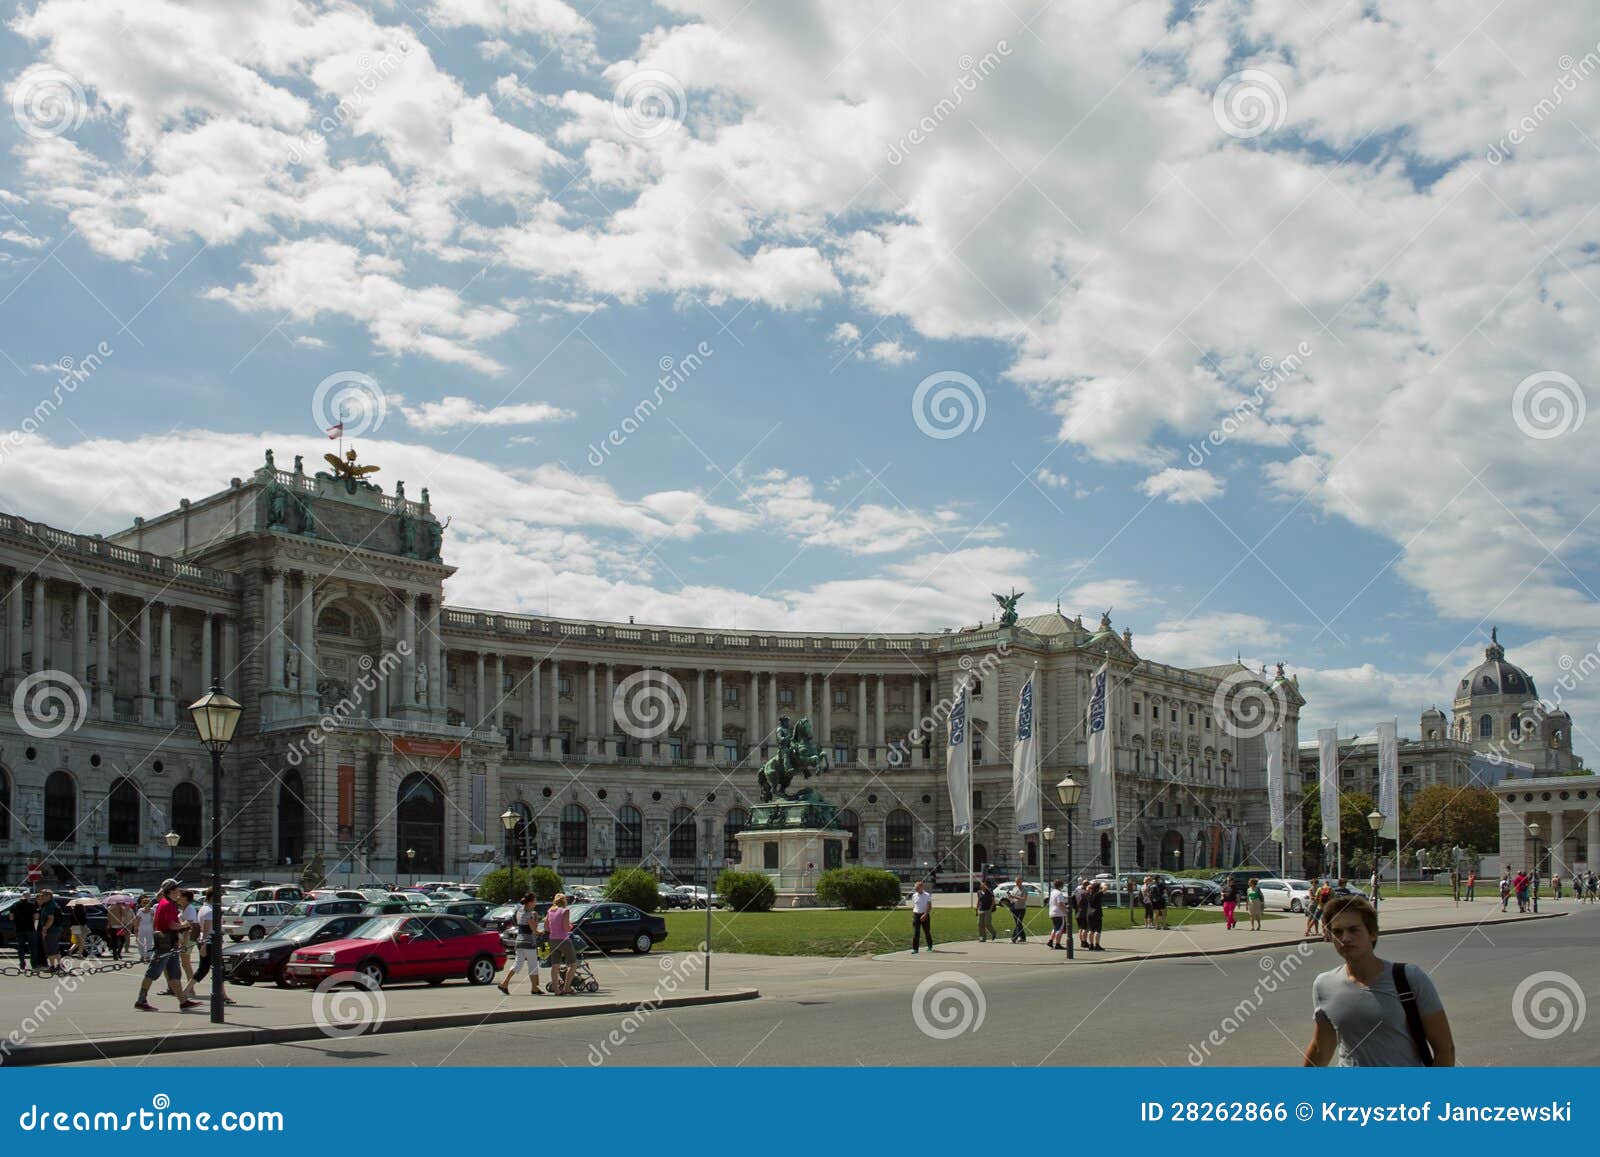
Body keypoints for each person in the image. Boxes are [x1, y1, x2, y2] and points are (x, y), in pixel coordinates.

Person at [1303, 895, 1456, 1067]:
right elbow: (1321, 1048)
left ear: (1373, 934)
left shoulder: (1408, 978)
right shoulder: (1324, 984)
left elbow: (1445, 1050)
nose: (1344, 938)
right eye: (1337, 932)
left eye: (1353, 930)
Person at [134, 881, 200, 1011]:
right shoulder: (168, 905)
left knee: (174, 973)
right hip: (166, 943)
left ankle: (183, 1001)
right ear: (171, 891)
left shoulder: (164, 903)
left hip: (169, 943)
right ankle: (141, 1000)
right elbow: (171, 925)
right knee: (153, 972)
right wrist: (185, 925)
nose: (179, 892)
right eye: (177, 890)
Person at [497, 893, 544, 994]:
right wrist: (542, 931)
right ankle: (534, 988)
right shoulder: (530, 914)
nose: (536, 903)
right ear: (530, 902)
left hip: (519, 941)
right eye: (535, 901)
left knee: (518, 963)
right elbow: (534, 930)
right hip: (529, 942)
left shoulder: (519, 911)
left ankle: (504, 983)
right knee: (533, 965)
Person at [544, 892, 577, 995]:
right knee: (572, 964)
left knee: (555, 965)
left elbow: (546, 928)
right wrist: (571, 926)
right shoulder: (565, 911)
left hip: (553, 940)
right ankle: (567, 987)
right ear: (564, 901)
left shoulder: (549, 911)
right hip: (564, 940)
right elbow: (566, 927)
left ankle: (556, 989)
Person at [36, 889, 63, 970]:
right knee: (55, 948)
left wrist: (45, 928)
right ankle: (58, 965)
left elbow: (50, 919)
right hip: (55, 929)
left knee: (49, 948)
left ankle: (52, 966)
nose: (42, 897)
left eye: (43, 895)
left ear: (49, 896)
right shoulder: (52, 904)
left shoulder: (50, 905)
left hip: (51, 930)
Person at [10, 890, 36, 968]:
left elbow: (11, 917)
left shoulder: (14, 905)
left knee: (21, 947)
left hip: (19, 929)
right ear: (28, 896)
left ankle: (22, 963)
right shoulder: (32, 905)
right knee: (32, 947)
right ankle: (33, 964)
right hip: (30, 929)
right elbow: (36, 917)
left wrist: (16, 922)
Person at [910, 881, 934, 952]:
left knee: (927, 931)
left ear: (921, 887)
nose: (916, 889)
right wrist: (913, 917)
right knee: (916, 932)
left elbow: (929, 907)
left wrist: (925, 914)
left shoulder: (927, 895)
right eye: (915, 888)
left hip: (925, 914)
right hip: (916, 915)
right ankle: (915, 948)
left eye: (917, 888)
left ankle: (930, 946)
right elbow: (914, 906)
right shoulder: (914, 895)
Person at [1045, 879, 1068, 950]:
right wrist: (1066, 911)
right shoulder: (1059, 893)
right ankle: (1057, 944)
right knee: (1060, 929)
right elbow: (1060, 904)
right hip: (1058, 913)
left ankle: (1051, 941)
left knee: (1055, 928)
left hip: (1052, 912)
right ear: (1061, 885)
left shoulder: (1053, 892)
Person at [1083, 881, 1105, 951]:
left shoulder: (1088, 894)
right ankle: (1097, 944)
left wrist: (1090, 886)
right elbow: (1105, 888)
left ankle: (1091, 944)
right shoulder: (1098, 894)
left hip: (1089, 913)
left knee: (1091, 930)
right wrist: (1102, 884)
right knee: (1097, 930)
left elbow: (1087, 888)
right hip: (1097, 913)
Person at [1007, 877, 1028, 943]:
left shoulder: (1024, 889)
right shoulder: (1014, 888)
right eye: (1016, 881)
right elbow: (1012, 898)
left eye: (1018, 881)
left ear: (1021, 881)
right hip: (1014, 908)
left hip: (1022, 909)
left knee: (1018, 923)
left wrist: (1014, 897)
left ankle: (1014, 938)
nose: (1017, 883)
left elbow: (1024, 899)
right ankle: (1023, 937)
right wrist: (1009, 896)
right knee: (1018, 924)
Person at [135, 895, 155, 961]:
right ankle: (145, 955)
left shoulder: (151, 910)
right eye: (144, 903)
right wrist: (136, 928)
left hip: (146, 927)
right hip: (145, 927)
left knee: (146, 941)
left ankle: (145, 955)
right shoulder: (141, 910)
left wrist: (136, 928)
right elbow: (138, 919)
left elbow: (137, 920)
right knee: (145, 941)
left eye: (146, 903)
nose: (146, 904)